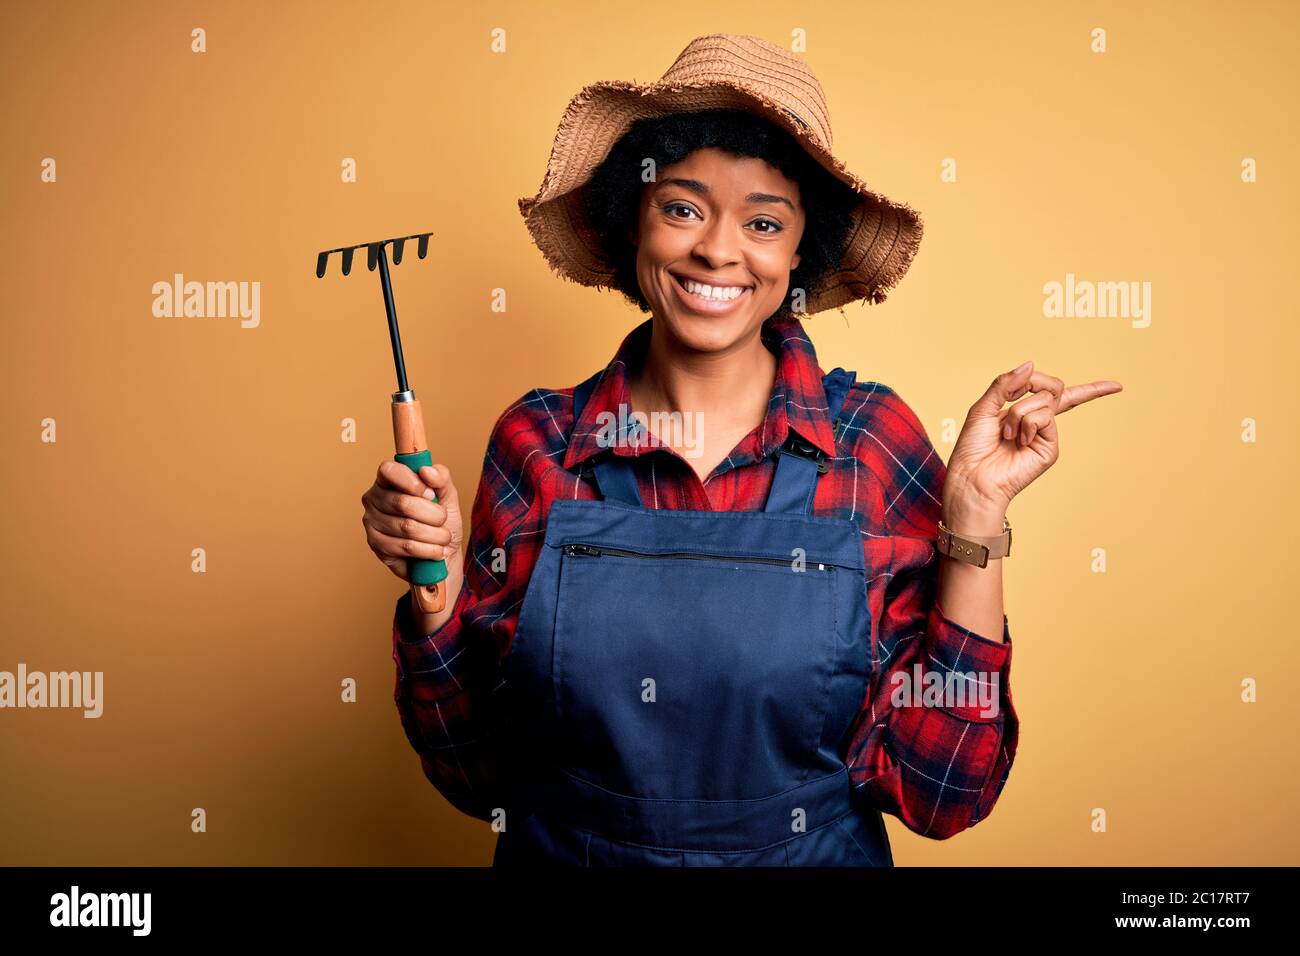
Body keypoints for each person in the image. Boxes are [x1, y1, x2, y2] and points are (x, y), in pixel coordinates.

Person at [360, 34, 1122, 866]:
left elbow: (943, 793)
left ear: (801, 252)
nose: (718, 250)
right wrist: (434, 593)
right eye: (682, 207)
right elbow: (483, 778)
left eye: (763, 222)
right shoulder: (538, 441)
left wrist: (974, 521)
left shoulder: (871, 443)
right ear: (633, 219)